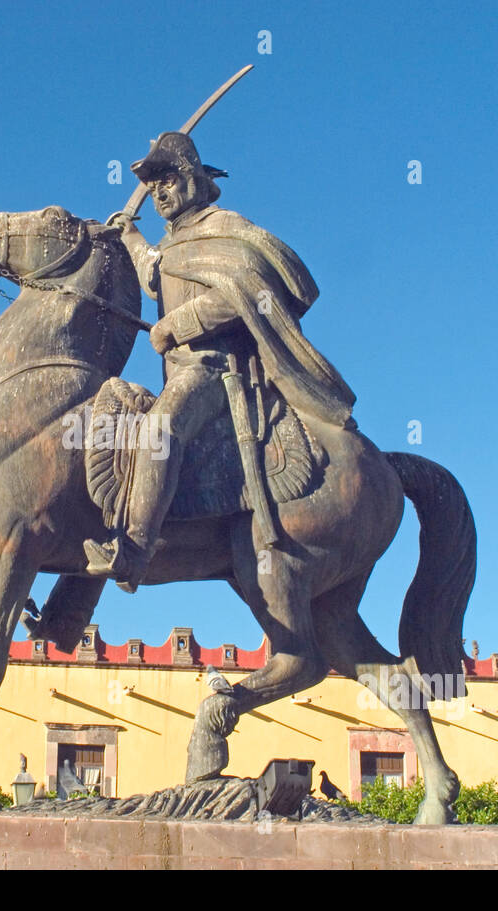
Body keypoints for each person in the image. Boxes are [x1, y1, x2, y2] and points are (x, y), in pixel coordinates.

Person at [83, 132, 357, 592]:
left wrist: (179, 325)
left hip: (218, 369)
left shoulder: (226, 227)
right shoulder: (176, 243)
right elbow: (156, 276)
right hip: (182, 369)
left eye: (167, 180)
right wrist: (130, 237)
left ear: (192, 179)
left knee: (158, 429)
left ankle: (133, 550)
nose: (160, 194)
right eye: (153, 190)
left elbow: (250, 291)